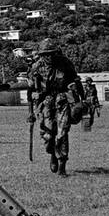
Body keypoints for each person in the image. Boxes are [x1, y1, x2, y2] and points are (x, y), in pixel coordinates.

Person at [27, 40, 86, 175]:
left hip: (62, 101)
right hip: (45, 103)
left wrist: (83, 100)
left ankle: (62, 164)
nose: (49, 57)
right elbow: (30, 90)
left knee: (62, 133)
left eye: (51, 54)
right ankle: (53, 154)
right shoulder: (36, 67)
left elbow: (75, 80)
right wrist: (30, 112)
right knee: (47, 135)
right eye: (45, 54)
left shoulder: (64, 63)